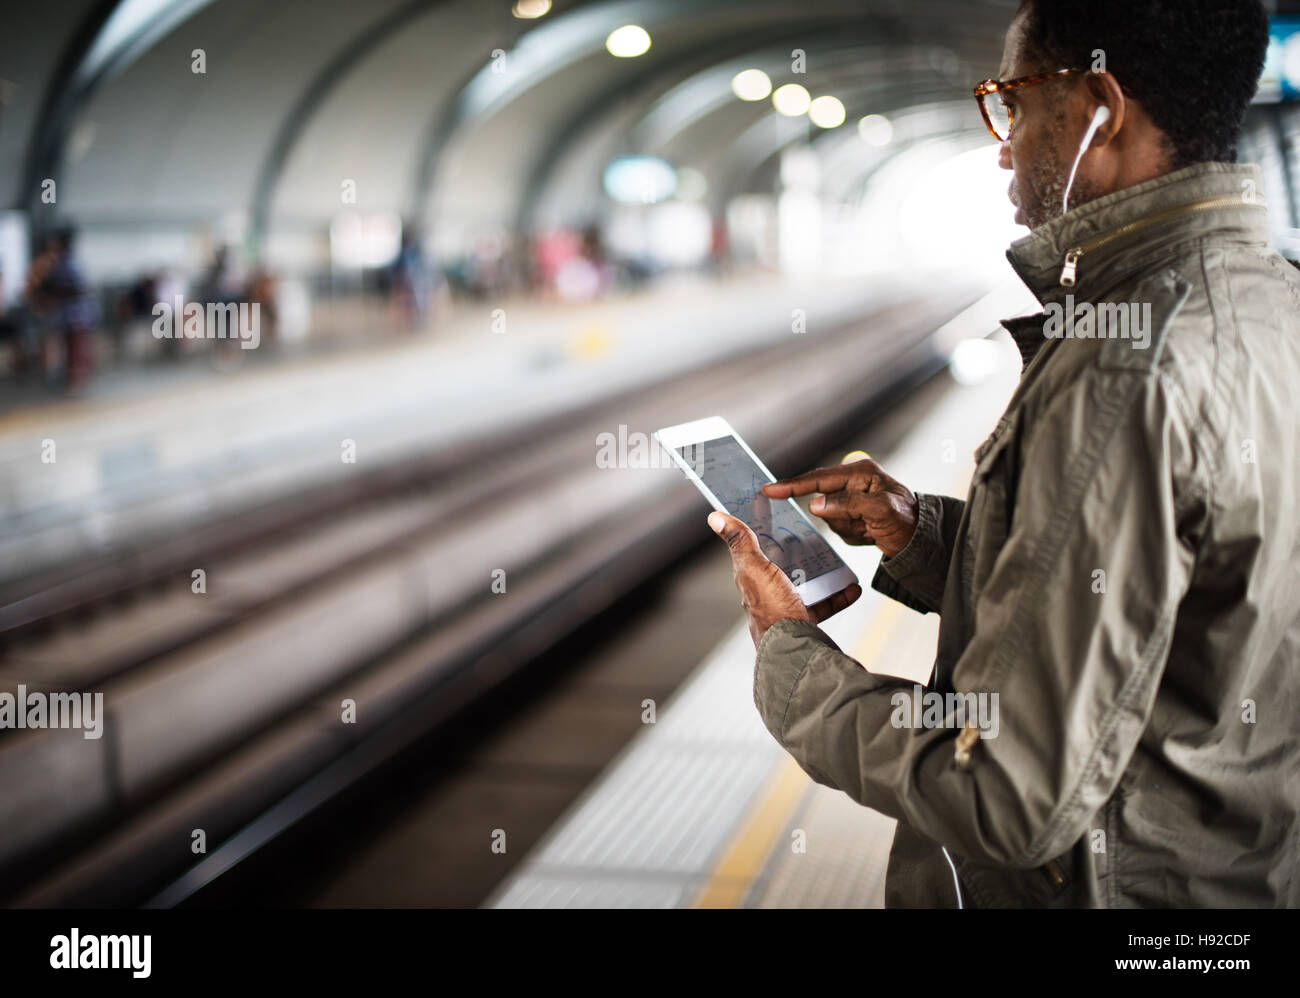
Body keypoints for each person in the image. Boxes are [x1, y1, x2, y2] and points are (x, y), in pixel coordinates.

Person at [709, 0, 1299, 907]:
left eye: (1013, 104)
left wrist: (790, 656)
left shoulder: (1122, 369)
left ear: (1099, 108)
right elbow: (1165, 601)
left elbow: (1007, 794)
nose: (1001, 144)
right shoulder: (1270, 301)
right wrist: (921, 536)